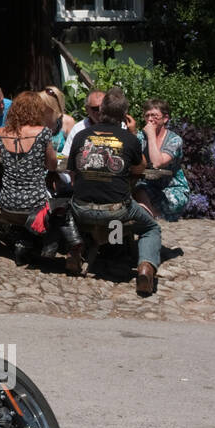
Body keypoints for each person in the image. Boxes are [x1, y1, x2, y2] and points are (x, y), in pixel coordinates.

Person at [68, 87, 162, 294]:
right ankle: (144, 268)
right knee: (150, 228)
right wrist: (132, 133)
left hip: (81, 208)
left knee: (68, 207)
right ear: (125, 114)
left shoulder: (81, 135)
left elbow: (72, 172)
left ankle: (81, 249)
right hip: (115, 210)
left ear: (101, 111)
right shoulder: (129, 139)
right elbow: (140, 168)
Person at [0, 92, 82, 268]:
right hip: (34, 200)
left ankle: (27, 242)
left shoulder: (2, 132)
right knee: (63, 203)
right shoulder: (42, 133)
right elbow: (52, 165)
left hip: (6, 199)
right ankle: (55, 246)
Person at [135, 98, 190, 221]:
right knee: (137, 189)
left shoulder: (174, 140)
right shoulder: (140, 137)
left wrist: (151, 136)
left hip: (171, 188)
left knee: (169, 200)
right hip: (147, 186)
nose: (150, 120)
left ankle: (149, 216)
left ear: (165, 118)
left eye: (154, 116)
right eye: (147, 116)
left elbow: (157, 163)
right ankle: (149, 216)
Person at [39, 86, 76, 154]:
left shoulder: (68, 121)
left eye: (42, 103)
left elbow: (73, 148)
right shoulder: (37, 120)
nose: (38, 106)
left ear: (51, 105)